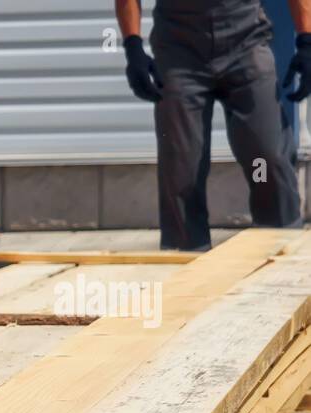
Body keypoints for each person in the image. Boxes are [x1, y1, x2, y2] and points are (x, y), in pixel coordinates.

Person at [116, 0, 310, 249]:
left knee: (264, 156)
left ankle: (278, 241)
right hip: (180, 52)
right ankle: (186, 258)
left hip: (245, 44)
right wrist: (133, 47)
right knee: (182, 169)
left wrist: (306, 41)